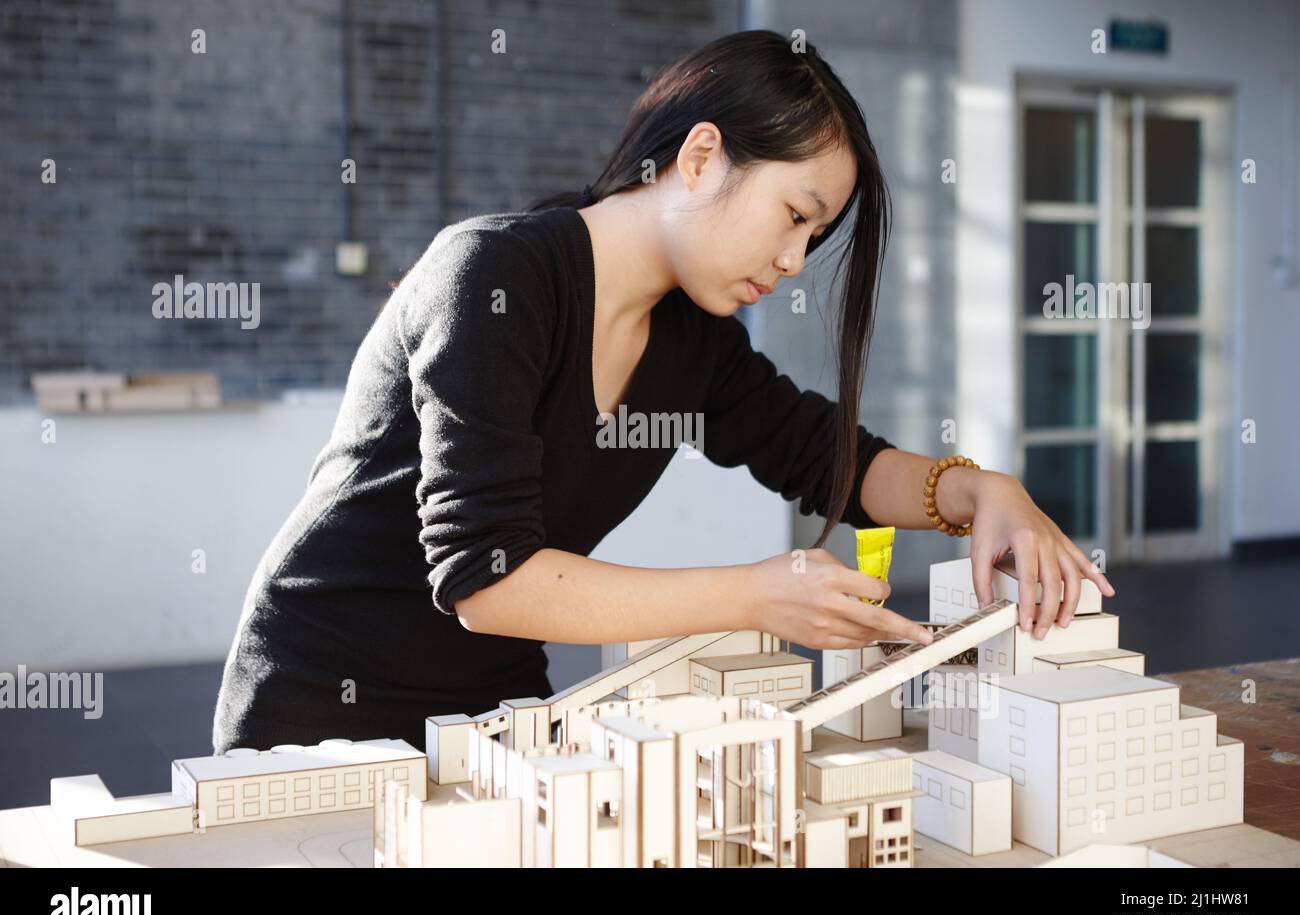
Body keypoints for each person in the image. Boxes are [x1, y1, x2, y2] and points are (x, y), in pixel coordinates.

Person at [211, 29, 1114, 754]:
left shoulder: (695, 345)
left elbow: (835, 460)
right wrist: (759, 594)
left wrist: (982, 491)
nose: (793, 263)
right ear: (700, 156)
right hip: (316, 702)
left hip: (487, 705)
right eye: (794, 215)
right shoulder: (492, 278)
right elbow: (485, 578)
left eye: (816, 237)